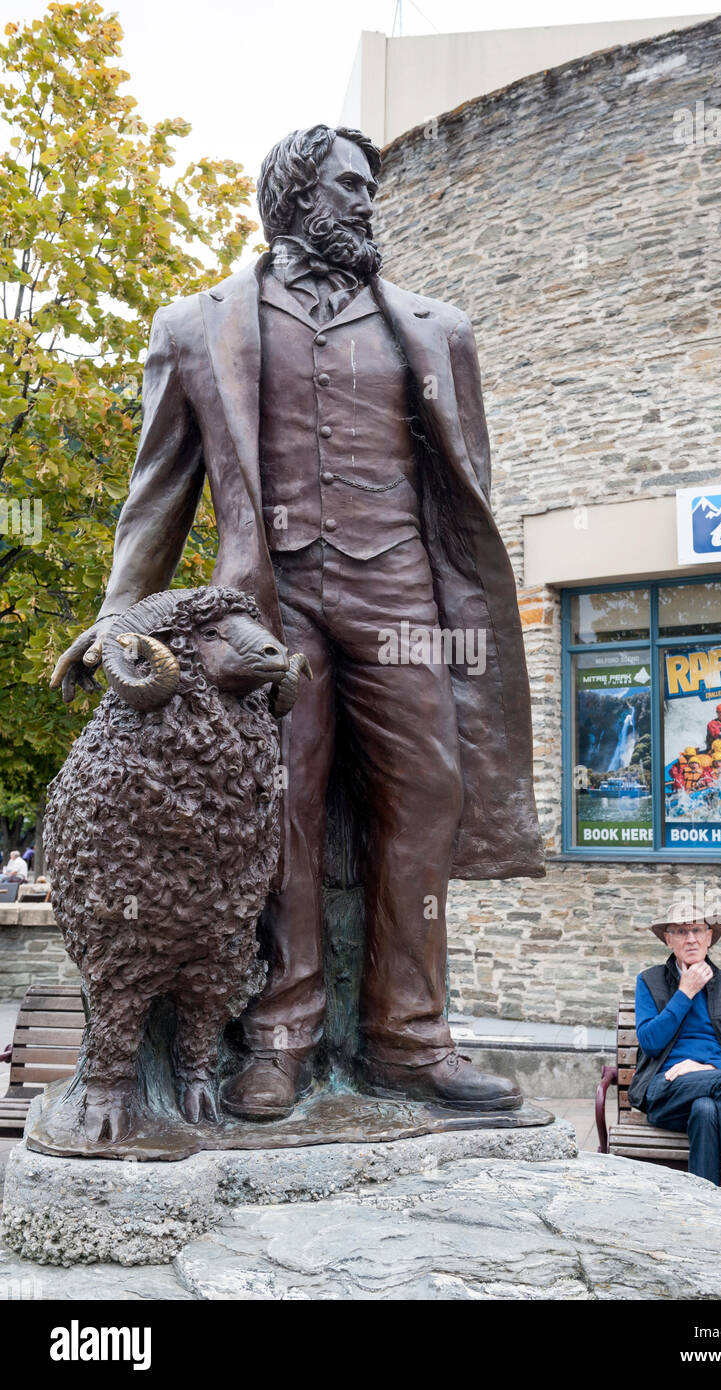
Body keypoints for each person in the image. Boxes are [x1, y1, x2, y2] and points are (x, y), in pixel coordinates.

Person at [48, 124, 544, 1121]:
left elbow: (466, 492)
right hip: (272, 607)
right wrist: (116, 620)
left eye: (369, 190)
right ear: (298, 194)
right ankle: (283, 1034)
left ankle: (410, 1038)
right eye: (352, 188)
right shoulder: (197, 326)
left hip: (404, 596)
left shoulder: (436, 328)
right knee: (281, 806)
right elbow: (157, 495)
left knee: (430, 795)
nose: (368, 204)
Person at [627, 911, 721, 1200]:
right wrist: (685, 993)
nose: (690, 938)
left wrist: (704, 1068)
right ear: (668, 940)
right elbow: (650, 1043)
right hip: (665, 1089)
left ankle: (703, 1203)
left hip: (714, 1096)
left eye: (696, 930)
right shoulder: (649, 982)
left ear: (709, 937)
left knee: (705, 1109)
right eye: (680, 932)